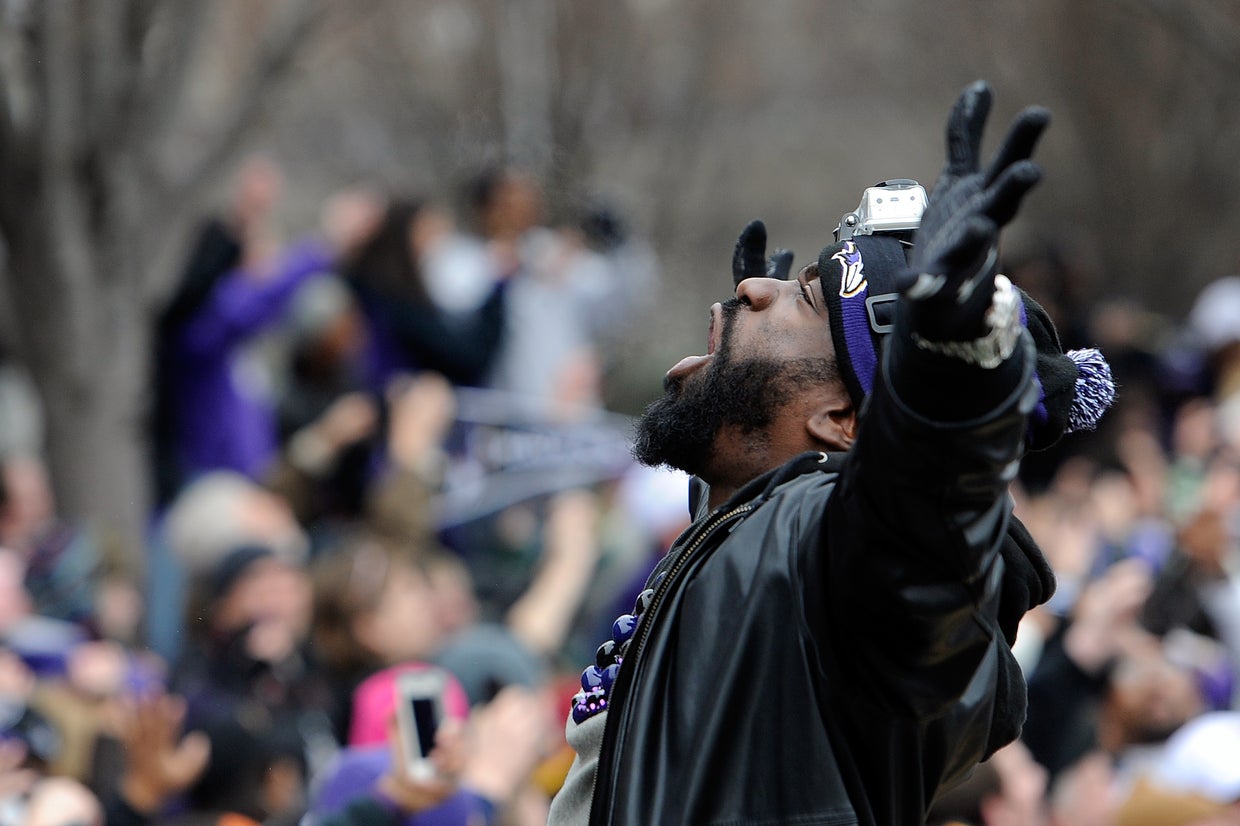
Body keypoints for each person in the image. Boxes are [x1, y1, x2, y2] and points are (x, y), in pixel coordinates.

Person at [547, 81, 1116, 825]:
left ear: (846, 422)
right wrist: (739, 459)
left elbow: (913, 552)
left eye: (807, 299)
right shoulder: (761, 548)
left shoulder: (854, 567)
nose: (751, 287)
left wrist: (943, 401)